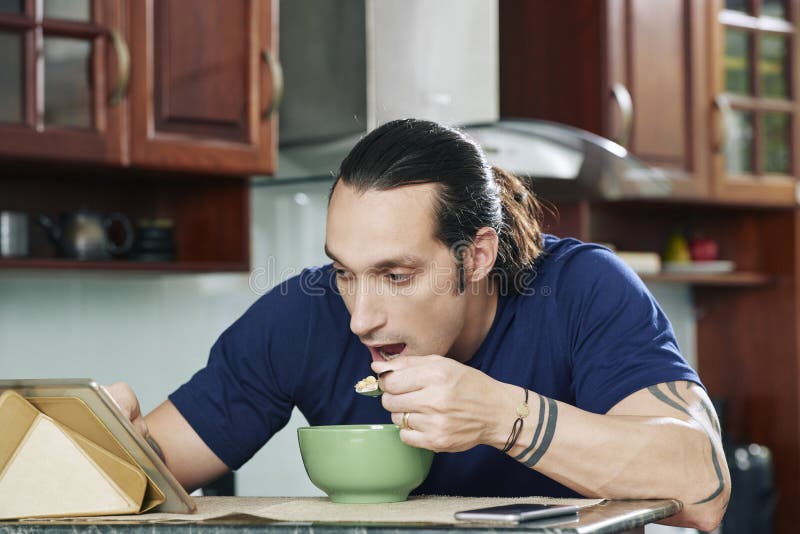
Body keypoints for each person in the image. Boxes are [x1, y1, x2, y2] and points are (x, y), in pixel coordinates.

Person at [108, 118, 729, 531]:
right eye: (346, 272)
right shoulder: (302, 315)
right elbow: (148, 469)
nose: (359, 318)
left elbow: (703, 486)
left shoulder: (581, 290)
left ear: (476, 256)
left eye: (396, 275)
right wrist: (94, 436)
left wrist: (501, 416)